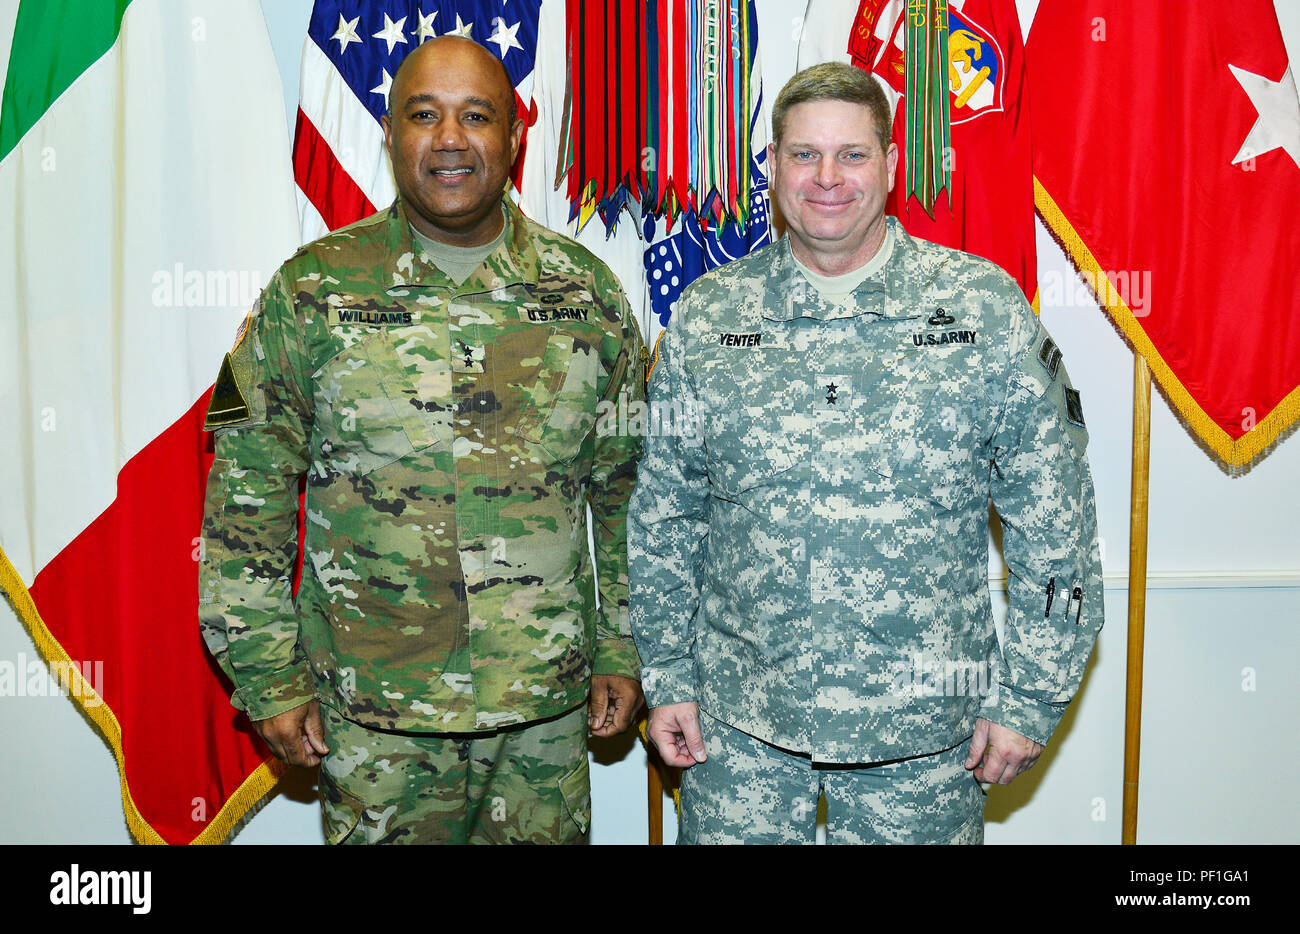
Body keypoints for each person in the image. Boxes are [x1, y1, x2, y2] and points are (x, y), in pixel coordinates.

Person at [629, 62, 1103, 845]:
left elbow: (1057, 526)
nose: (827, 178)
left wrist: (1028, 700)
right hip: (739, 730)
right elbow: (663, 519)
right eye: (804, 154)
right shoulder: (710, 315)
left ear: (889, 165)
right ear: (772, 166)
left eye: (851, 154)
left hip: (924, 738)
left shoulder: (981, 308)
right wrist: (668, 678)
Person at [199, 36, 646, 844]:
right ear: (391, 133)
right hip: (374, 720)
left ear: (515, 136)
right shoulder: (312, 292)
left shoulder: (587, 294)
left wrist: (620, 642)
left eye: (477, 116)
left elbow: (624, 494)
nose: (449, 138)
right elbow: (248, 497)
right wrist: (268, 677)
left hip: (541, 716)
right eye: (424, 115)